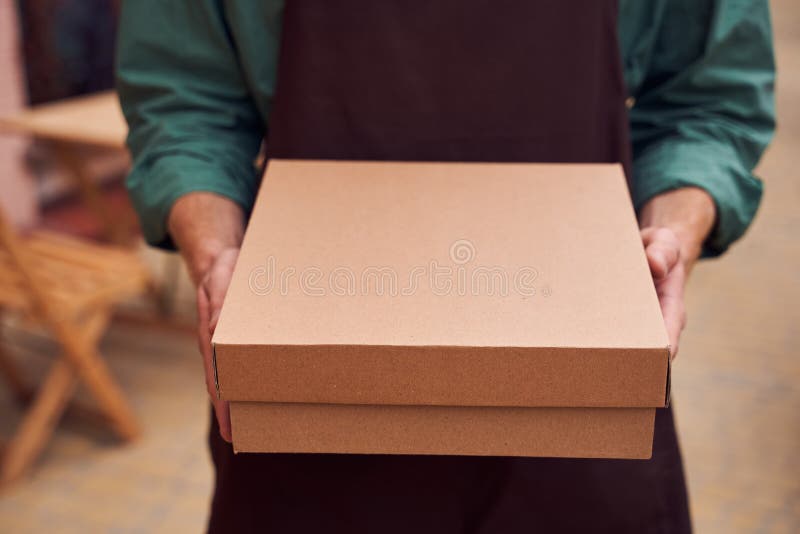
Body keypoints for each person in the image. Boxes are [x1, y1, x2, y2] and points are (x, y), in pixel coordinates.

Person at [117, 1, 775, 532]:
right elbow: (186, 104)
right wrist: (215, 252)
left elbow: (708, 104)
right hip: (306, 379)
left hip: (583, 376)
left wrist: (672, 239)